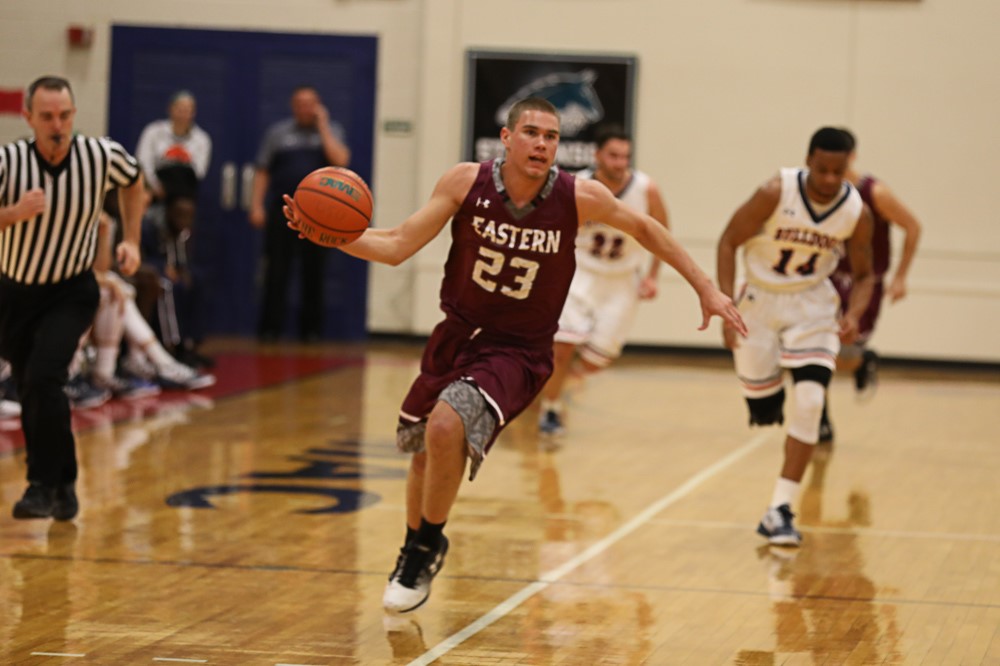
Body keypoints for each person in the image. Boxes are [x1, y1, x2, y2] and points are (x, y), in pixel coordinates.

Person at [283, 97, 747, 612]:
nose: (542, 144)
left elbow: (646, 229)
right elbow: (395, 245)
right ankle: (417, 547)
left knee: (444, 428)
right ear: (507, 139)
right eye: (531, 132)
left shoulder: (577, 195)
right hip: (456, 335)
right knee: (423, 451)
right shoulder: (465, 182)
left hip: (519, 349)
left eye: (550, 136)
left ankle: (422, 549)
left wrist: (705, 287)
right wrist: (329, 234)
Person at [717, 127, 875, 547]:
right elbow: (729, 240)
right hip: (759, 301)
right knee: (764, 406)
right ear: (808, 160)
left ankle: (780, 509)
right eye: (821, 169)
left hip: (813, 306)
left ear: (848, 167)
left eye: (837, 171)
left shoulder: (856, 212)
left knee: (810, 401)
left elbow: (864, 275)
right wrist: (723, 303)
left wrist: (854, 314)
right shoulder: (775, 191)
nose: (827, 179)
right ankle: (769, 389)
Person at [0, 75, 144, 520]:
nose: (57, 124)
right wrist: (13, 214)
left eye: (64, 115)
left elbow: (135, 181)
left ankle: (39, 485)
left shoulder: (100, 155)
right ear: (28, 118)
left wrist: (132, 240)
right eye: (46, 116)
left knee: (45, 376)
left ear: (73, 114)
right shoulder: (8, 162)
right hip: (14, 291)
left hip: (71, 289)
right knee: (32, 388)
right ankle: (63, 480)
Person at [538, 125, 670, 435]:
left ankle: (559, 384)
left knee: (596, 361)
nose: (620, 162)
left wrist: (652, 276)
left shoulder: (646, 189)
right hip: (579, 274)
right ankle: (551, 409)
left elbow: (662, 234)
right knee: (563, 347)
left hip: (622, 280)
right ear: (597, 155)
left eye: (625, 156)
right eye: (613, 155)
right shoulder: (576, 185)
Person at [820, 127, 923, 442]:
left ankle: (864, 361)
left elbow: (913, 227)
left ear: (851, 156)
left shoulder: (874, 192)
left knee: (844, 355)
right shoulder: (821, 190)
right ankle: (820, 418)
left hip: (865, 281)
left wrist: (901, 276)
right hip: (828, 278)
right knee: (816, 349)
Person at [249, 85, 351, 342]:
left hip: (318, 215)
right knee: (276, 271)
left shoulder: (332, 131)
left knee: (314, 273)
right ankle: (270, 330)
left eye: (310, 103)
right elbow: (263, 170)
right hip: (282, 211)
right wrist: (256, 205)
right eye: (300, 103)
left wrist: (324, 126)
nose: (306, 108)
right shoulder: (278, 134)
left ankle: (311, 332)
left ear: (318, 106)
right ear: (293, 106)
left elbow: (341, 160)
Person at [134, 90, 212, 202]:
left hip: (184, 190)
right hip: (153, 188)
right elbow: (143, 161)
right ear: (170, 109)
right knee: (143, 198)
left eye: (187, 110)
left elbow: (199, 171)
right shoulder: (153, 131)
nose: (183, 114)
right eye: (179, 109)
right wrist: (156, 186)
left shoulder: (202, 139)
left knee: (184, 207)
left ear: (193, 113)